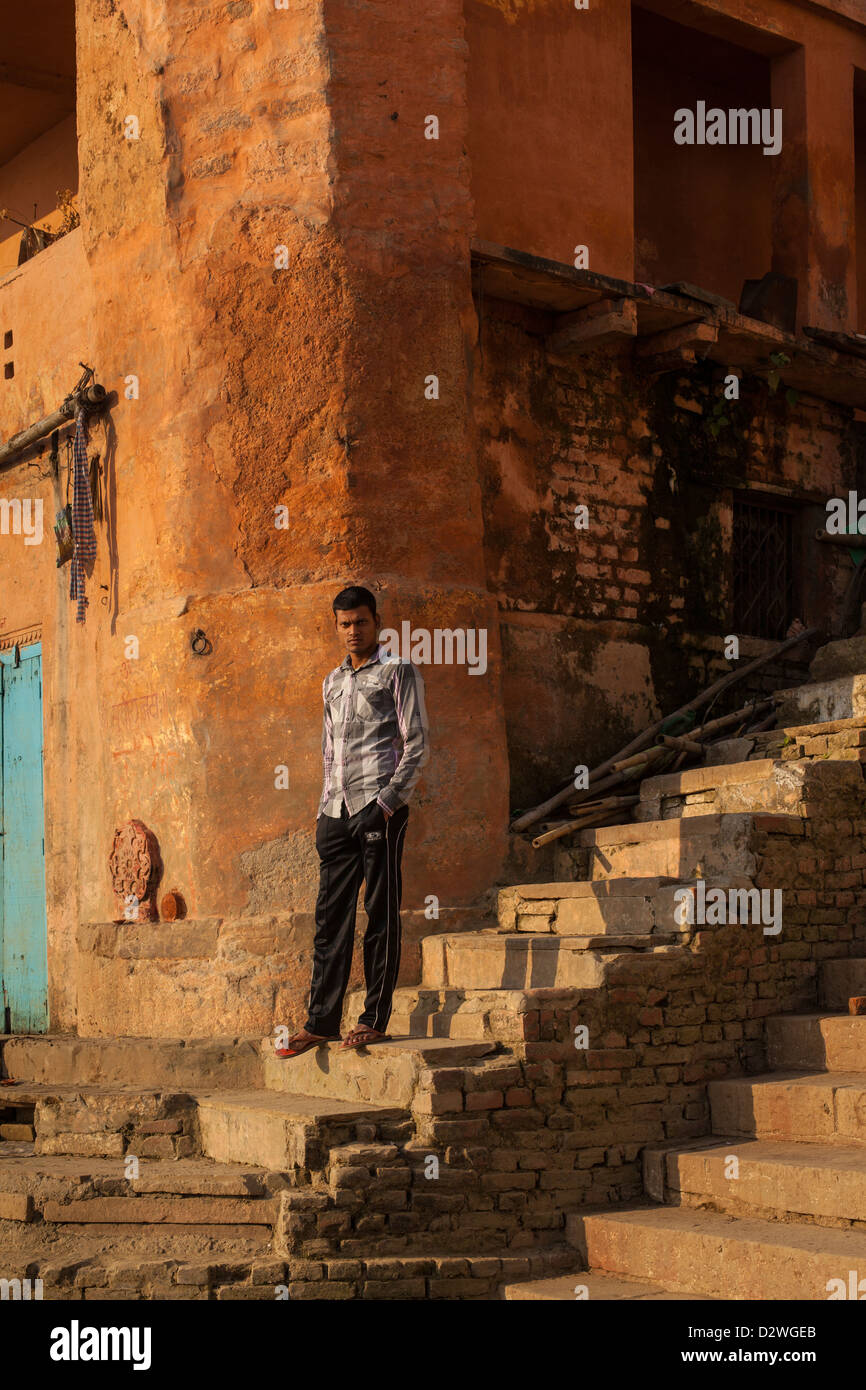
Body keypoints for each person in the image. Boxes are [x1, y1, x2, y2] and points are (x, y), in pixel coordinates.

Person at [277, 585, 430, 1058]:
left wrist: (385, 803)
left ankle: (371, 1019)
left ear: (375, 622)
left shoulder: (397, 671)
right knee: (330, 921)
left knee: (379, 914)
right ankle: (320, 1022)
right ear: (336, 626)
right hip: (335, 813)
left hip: (377, 809)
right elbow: (329, 751)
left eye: (360, 622)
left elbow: (417, 741)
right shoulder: (331, 682)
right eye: (344, 623)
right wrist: (324, 807)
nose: (352, 630)